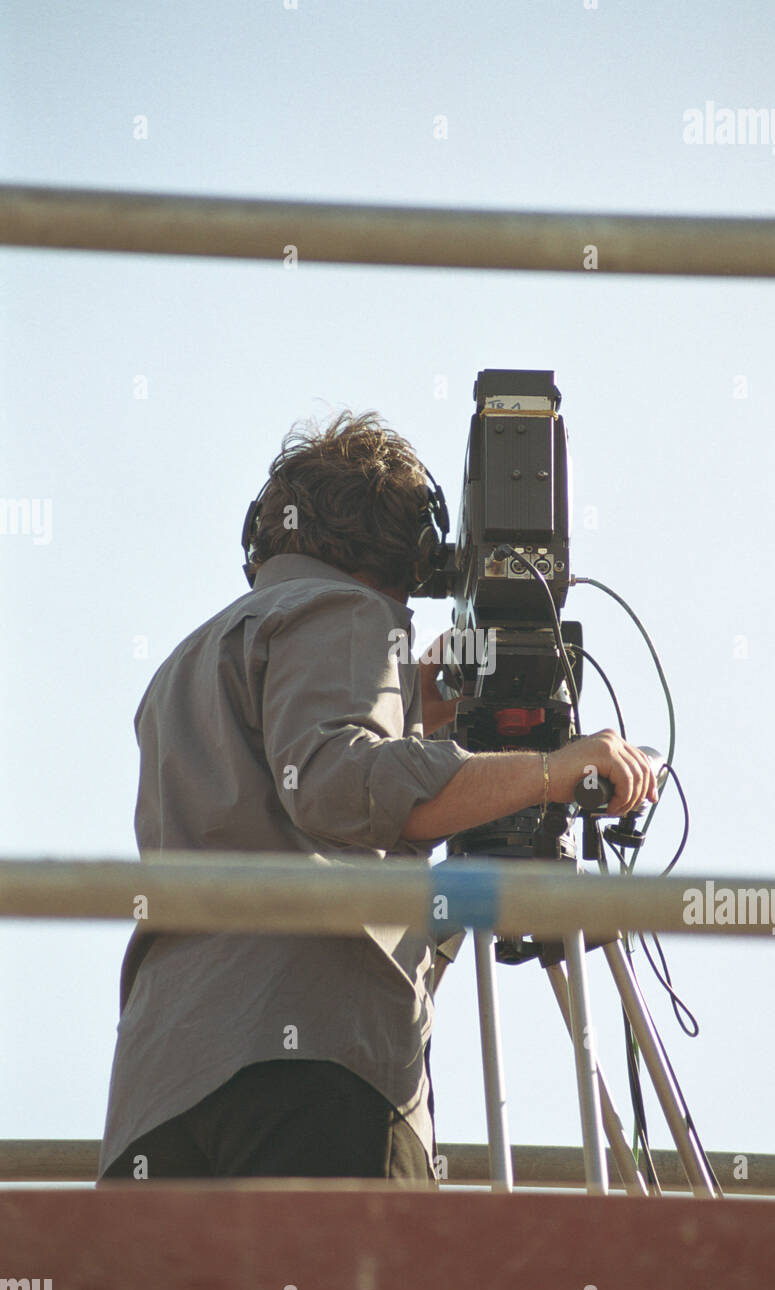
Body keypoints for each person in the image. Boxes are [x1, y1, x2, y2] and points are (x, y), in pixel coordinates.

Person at [97, 408, 656, 1186]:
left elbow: (281, 779)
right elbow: (344, 785)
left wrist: (411, 701)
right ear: (408, 552)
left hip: (161, 1095)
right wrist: (554, 769)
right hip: (312, 1066)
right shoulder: (349, 610)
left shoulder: (190, 662)